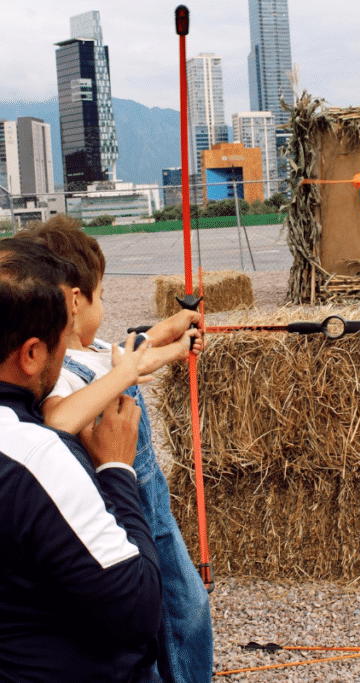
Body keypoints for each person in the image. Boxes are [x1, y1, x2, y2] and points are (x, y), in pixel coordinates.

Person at [12, 218, 214, 683]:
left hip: (152, 508)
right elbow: (59, 420)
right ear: (74, 300)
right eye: (100, 295)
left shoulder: (88, 351)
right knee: (179, 612)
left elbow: (127, 360)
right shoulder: (59, 370)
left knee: (183, 608)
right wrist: (126, 372)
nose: (102, 306)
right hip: (127, 511)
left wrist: (170, 339)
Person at [0, 237, 162, 682]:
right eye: (59, 344)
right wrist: (117, 469)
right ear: (32, 354)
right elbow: (137, 609)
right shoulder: (36, 458)